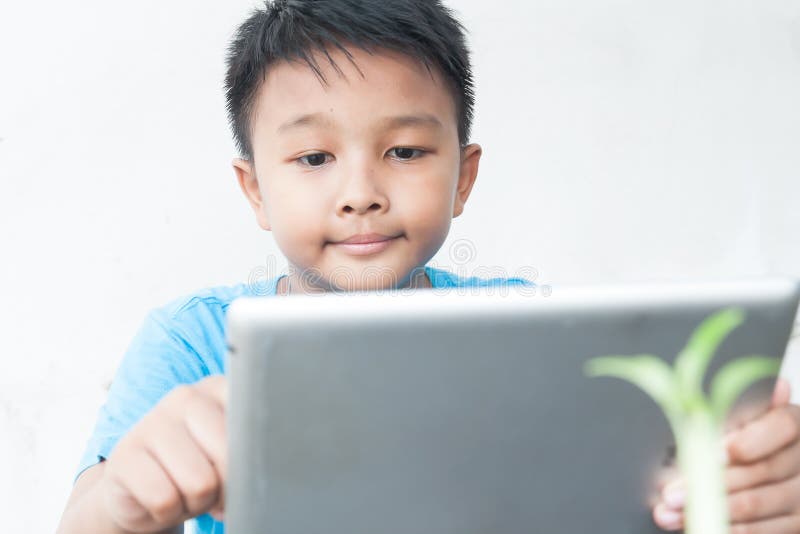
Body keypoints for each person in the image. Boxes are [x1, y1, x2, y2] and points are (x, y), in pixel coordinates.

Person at [57, 1, 800, 533]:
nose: (360, 196)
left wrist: (740, 488)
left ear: (463, 177)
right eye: (313, 158)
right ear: (255, 189)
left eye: (405, 152)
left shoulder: (527, 326)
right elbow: (85, 519)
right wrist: (125, 499)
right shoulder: (189, 341)